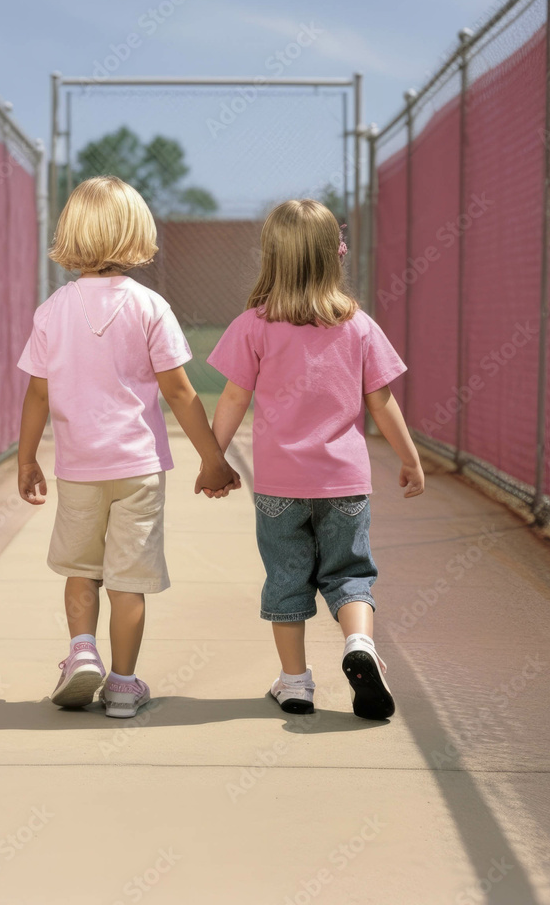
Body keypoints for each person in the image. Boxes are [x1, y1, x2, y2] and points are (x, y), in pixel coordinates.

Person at [16, 175, 240, 719]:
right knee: (129, 581)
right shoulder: (150, 306)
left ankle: (80, 652)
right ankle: (121, 684)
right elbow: (179, 391)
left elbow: (37, 393)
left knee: (81, 570)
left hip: (77, 470)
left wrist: (27, 459)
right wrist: (213, 458)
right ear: (136, 232)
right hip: (138, 469)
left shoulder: (52, 310)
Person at [205, 199, 423, 720]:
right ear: (334, 256)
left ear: (271, 257)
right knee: (350, 575)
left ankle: (296, 683)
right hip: (345, 484)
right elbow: (381, 401)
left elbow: (233, 398)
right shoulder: (358, 325)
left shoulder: (254, 325)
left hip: (279, 487)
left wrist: (212, 459)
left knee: (287, 579)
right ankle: (359, 645)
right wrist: (410, 459)